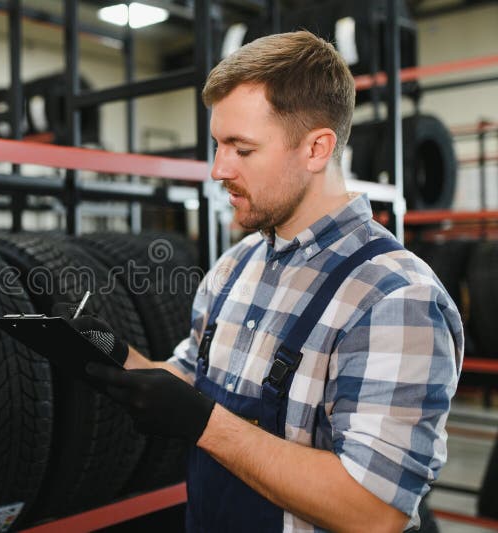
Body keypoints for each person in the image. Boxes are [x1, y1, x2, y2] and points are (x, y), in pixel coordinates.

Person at [71, 31, 463, 532]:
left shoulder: (395, 296)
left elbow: (372, 511)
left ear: (317, 148)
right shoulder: (234, 268)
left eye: (242, 149)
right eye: (217, 145)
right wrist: (114, 354)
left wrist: (205, 425)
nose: (217, 169)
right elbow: (187, 383)